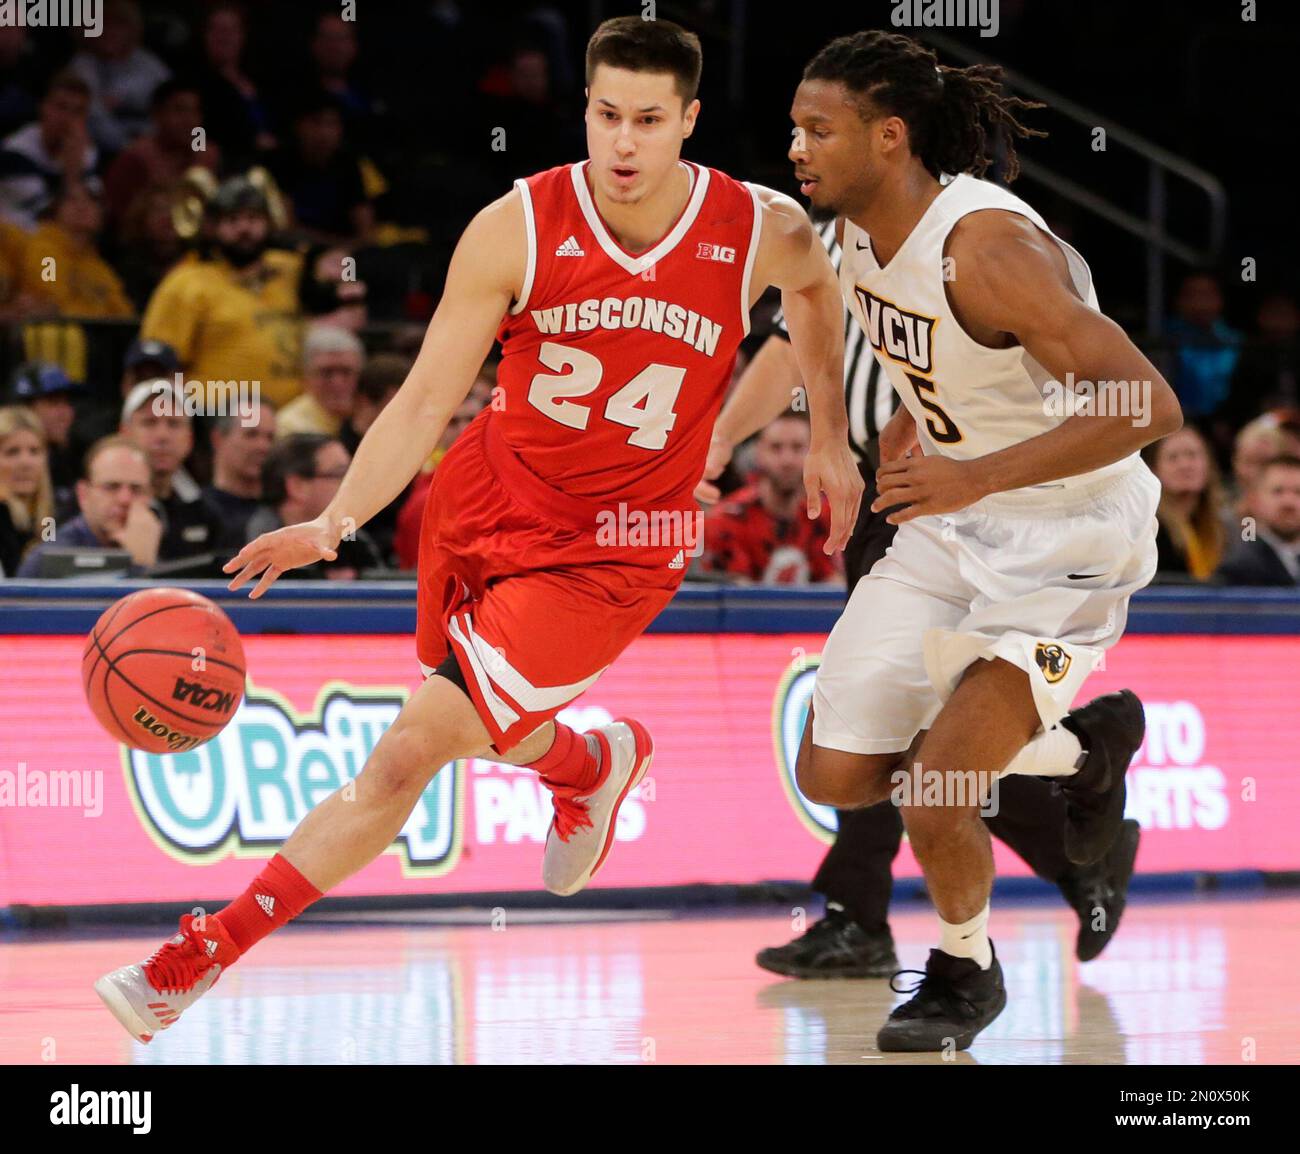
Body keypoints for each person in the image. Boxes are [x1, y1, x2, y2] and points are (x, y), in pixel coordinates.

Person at [95, 15, 862, 1044]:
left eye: (646, 120)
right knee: (478, 723)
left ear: (687, 120)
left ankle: (195, 955)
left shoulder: (760, 226)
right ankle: (589, 766)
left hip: (616, 547)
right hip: (486, 502)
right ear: (582, 109)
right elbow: (418, 401)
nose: (623, 143)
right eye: (604, 116)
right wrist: (333, 520)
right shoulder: (519, 225)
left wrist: (826, 434)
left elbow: (816, 292)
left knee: (410, 751)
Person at [785, 30, 1181, 1052]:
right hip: (953, 520)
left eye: (817, 129)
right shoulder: (850, 231)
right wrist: (865, 430)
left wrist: (973, 469)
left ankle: (964, 968)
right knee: (832, 772)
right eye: (795, 126)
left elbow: (1148, 403)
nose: (796, 146)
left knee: (936, 788)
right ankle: (1084, 756)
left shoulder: (988, 250)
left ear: (888, 136)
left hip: (1066, 540)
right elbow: (823, 330)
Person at [705, 223, 1141, 977]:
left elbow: (1108, 389)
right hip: (888, 483)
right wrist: (721, 443)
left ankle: (866, 915)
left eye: (820, 131)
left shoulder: (975, 238)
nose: (802, 152)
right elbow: (785, 351)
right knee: (897, 725)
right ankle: (1077, 833)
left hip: (965, 491)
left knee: (905, 726)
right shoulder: (836, 238)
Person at [138, 174, 304, 409]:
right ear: (212, 227)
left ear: (270, 222)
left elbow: (332, 271)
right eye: (232, 219)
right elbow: (157, 363)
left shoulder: (290, 270)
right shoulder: (186, 283)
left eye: (253, 218)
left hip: (290, 417)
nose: (244, 228)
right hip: (215, 418)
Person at [700, 410, 841, 585]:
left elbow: (836, 585)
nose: (787, 460)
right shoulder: (725, 520)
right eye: (776, 448)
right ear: (758, 452)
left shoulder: (829, 517)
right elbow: (732, 595)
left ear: (814, 453)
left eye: (797, 447)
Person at [243, 433, 383, 578]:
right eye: (341, 473)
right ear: (297, 486)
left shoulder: (353, 539)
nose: (353, 484)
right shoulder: (248, 541)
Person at [16, 436, 158, 576]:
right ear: (83, 495)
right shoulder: (49, 560)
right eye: (111, 487)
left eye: (137, 489)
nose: (125, 499)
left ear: (151, 496)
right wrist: (140, 565)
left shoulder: (165, 542)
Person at [118, 379, 224, 563]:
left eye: (174, 424)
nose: (162, 436)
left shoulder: (206, 513)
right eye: (149, 423)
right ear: (124, 433)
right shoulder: (108, 504)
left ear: (189, 439)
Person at [103, 78, 221, 227]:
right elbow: (119, 221)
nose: (189, 120)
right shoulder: (135, 158)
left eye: (195, 111)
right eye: (180, 110)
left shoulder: (206, 153)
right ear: (157, 114)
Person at [66, 0, 171, 154]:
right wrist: (127, 146)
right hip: (103, 151)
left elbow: (172, 103)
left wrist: (123, 98)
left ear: (132, 28)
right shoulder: (82, 65)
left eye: (117, 25)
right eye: (101, 24)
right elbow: (92, 115)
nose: (109, 31)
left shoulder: (149, 65)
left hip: (154, 145)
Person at [0, 71, 99, 229]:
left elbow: (93, 216)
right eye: (61, 107)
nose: (68, 118)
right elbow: (47, 218)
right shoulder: (16, 152)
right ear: (43, 108)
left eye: (78, 112)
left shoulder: (86, 153)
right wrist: (73, 176)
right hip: (17, 241)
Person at [1142, 425, 1225, 581]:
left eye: (1192, 455)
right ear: (1154, 470)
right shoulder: (1148, 529)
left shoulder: (1225, 528)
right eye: (1173, 458)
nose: (1185, 465)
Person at [1214, 455, 1300, 585]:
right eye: (1278, 492)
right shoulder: (1238, 566)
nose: (1288, 502)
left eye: (1298, 492)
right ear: (1254, 501)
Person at [204, 403, 276, 547]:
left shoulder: (284, 511)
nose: (263, 446)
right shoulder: (195, 513)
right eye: (251, 434)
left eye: (270, 437)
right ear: (218, 439)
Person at [275, 324, 362, 439]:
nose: (337, 382)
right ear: (306, 377)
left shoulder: (372, 417)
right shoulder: (289, 428)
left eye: (346, 372)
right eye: (326, 372)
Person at [0, 404, 54, 574]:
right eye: (12, 452)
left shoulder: (48, 520)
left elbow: (51, 564)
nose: (26, 463)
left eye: (34, 451)